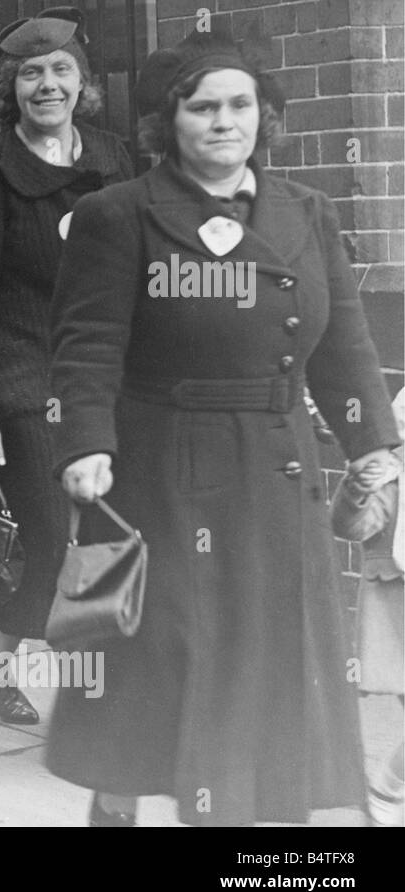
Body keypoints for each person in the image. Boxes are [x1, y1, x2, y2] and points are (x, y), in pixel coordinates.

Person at [48, 29, 400, 826]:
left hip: (278, 471)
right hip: (161, 467)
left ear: (264, 115)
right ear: (165, 123)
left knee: (268, 657)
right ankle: (120, 794)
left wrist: (373, 448)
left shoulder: (308, 212)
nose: (224, 122)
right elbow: (87, 343)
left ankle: (251, 821)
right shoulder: (117, 214)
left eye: (241, 105)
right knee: (163, 650)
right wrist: (85, 443)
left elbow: (344, 345)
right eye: (202, 107)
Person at [0, 8, 134, 726]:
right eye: (30, 73)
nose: (46, 85)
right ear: (9, 87)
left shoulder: (115, 160)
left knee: (114, 535)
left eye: (60, 70)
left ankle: (3, 653)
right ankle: (27, 664)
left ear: (81, 81)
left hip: (106, 380)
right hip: (25, 383)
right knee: (51, 538)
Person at [330, 388, 405, 828]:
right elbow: (350, 525)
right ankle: (385, 790)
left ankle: (386, 788)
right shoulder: (392, 480)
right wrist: (357, 488)